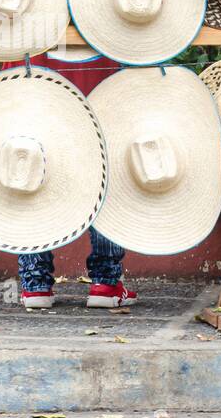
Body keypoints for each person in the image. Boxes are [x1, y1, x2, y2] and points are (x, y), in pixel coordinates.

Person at [8, 51, 137, 311]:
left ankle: (35, 285)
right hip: (96, 78)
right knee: (103, 170)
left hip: (37, 79)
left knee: (34, 173)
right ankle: (106, 283)